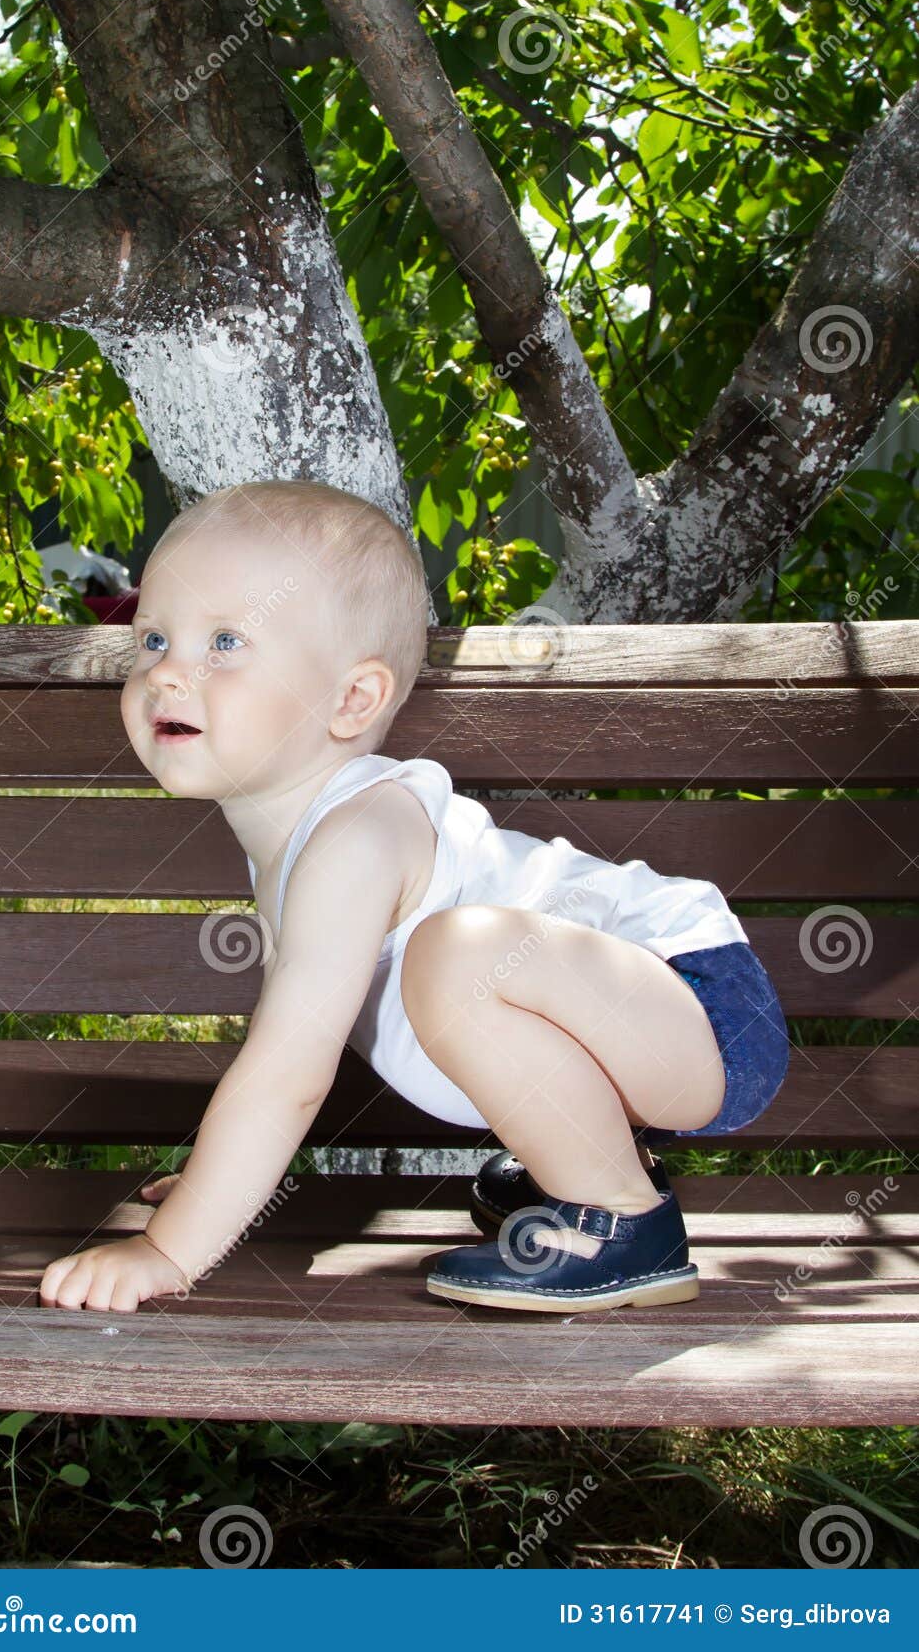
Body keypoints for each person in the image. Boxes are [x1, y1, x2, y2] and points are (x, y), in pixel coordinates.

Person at [38, 478, 790, 1316]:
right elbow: (294, 1040)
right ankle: (582, 1162)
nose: (170, 673)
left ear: (352, 700)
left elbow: (287, 1076)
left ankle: (621, 1222)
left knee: (455, 955)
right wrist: (222, 1181)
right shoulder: (290, 838)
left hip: (696, 1005)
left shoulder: (357, 835)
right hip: (639, 1024)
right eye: (152, 640)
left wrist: (171, 1249)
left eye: (224, 642)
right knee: (453, 960)